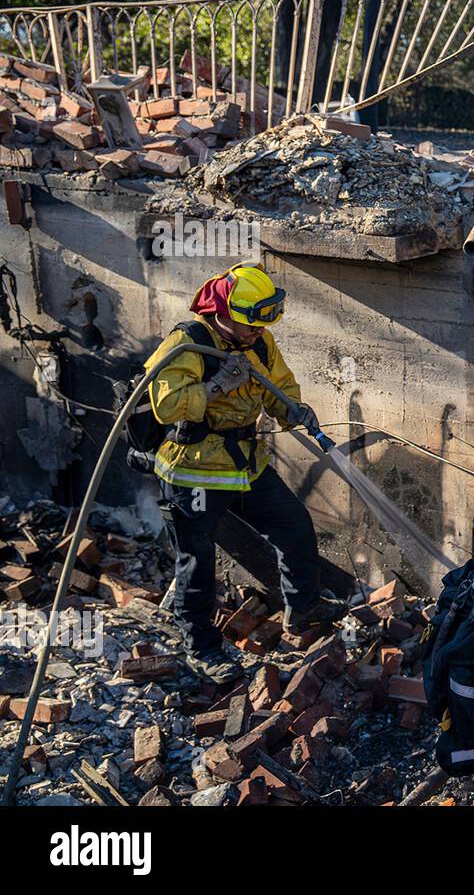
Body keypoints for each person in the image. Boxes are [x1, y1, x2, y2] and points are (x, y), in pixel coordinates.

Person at [144, 263, 343, 682]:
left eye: (265, 323)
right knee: (196, 562)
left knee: (293, 524)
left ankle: (302, 608)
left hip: (244, 465)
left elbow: (279, 385)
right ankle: (202, 649)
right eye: (252, 324)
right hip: (193, 472)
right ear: (223, 313)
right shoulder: (189, 343)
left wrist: (292, 408)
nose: (260, 332)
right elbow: (165, 405)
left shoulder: (260, 342)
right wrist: (218, 386)